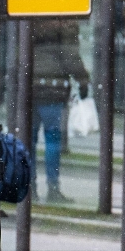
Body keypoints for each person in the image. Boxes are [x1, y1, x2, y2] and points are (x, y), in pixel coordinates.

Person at [31, 18, 89, 202]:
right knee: (53, 139)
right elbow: (71, 56)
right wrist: (83, 79)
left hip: (29, 87)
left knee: (28, 139)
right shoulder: (65, 22)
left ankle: (28, 186)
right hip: (53, 89)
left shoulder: (28, 15)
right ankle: (53, 187)